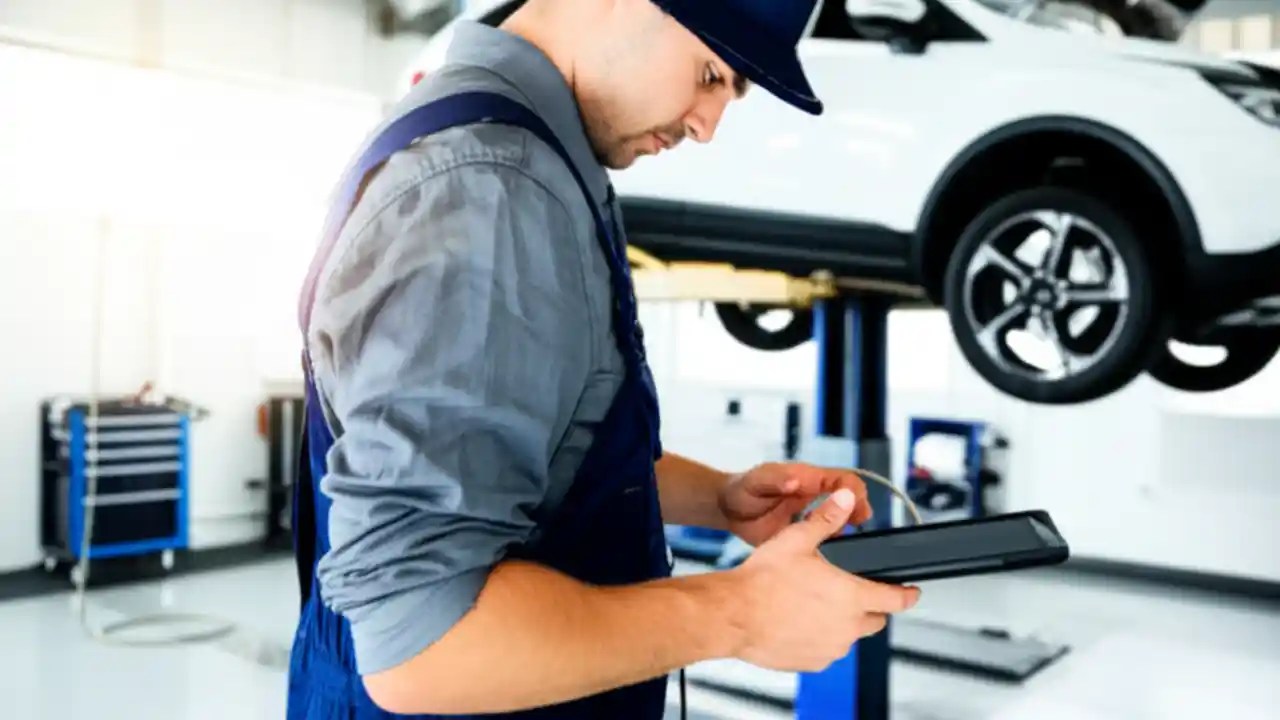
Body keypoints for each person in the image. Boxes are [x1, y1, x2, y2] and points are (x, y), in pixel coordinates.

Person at [287, 0, 922, 718]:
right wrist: (739, 611)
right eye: (710, 73)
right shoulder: (488, 189)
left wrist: (720, 498)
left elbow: (535, 450)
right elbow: (422, 645)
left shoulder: (535, 158)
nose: (706, 125)